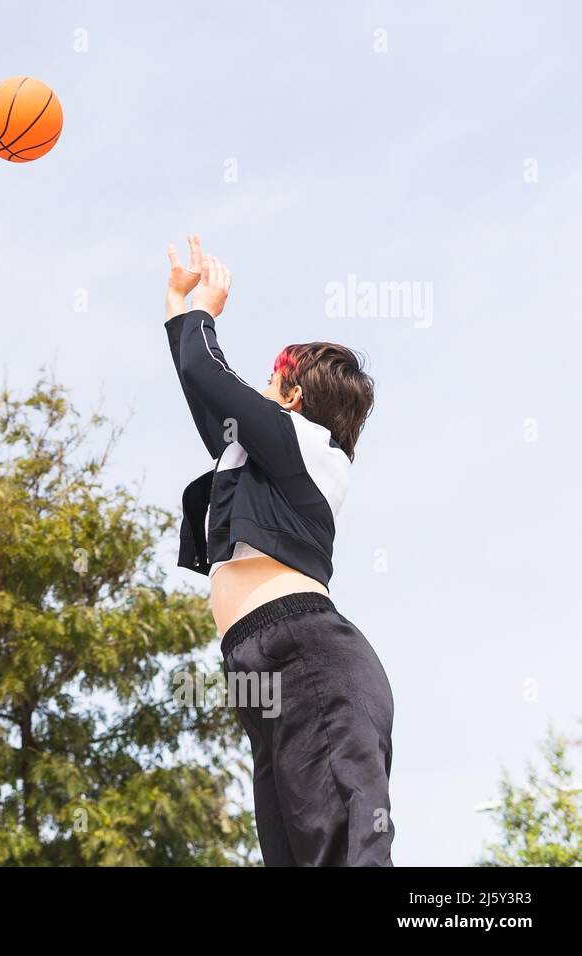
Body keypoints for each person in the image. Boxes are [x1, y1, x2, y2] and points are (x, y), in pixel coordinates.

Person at [163, 235, 394, 866]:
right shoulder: (269, 451)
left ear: (292, 398)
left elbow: (207, 372)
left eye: (270, 382)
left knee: (348, 852)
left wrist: (205, 310)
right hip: (260, 671)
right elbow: (204, 390)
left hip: (309, 658)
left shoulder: (312, 448)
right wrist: (175, 307)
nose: (260, 392)